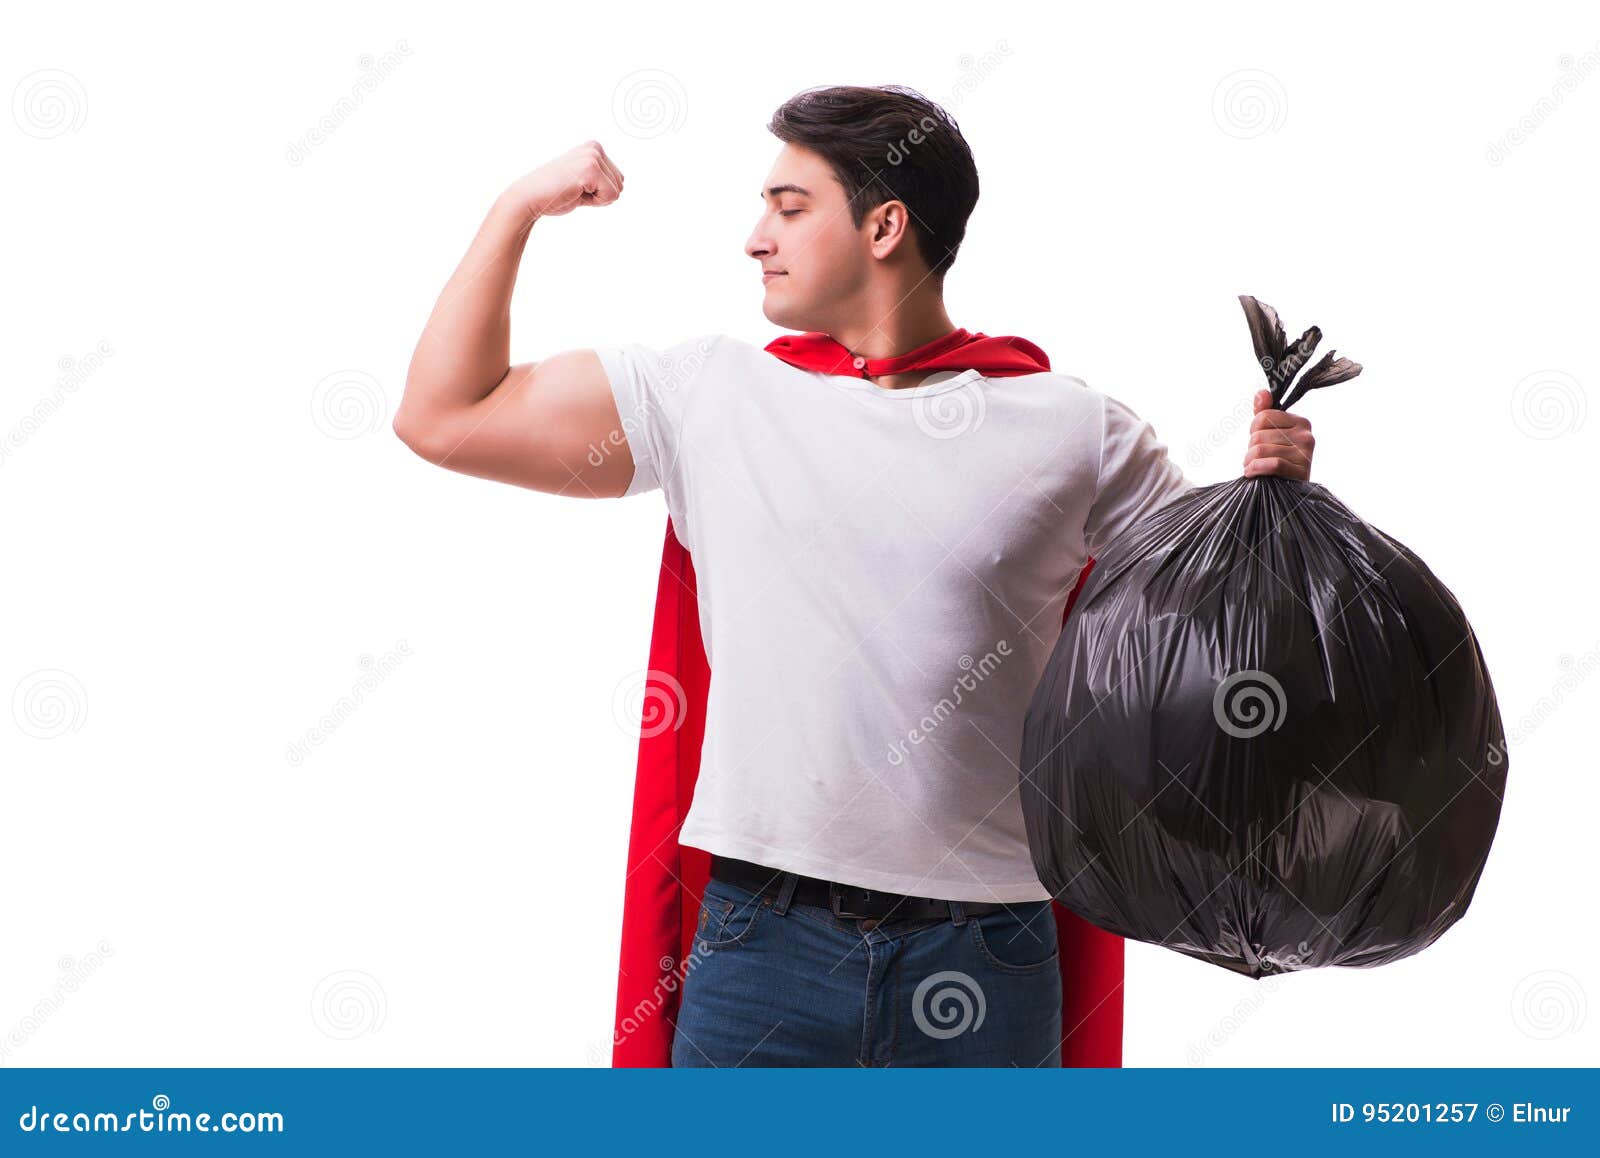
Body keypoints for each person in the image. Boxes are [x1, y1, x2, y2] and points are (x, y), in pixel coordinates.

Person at [393, 84, 1315, 1067]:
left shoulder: (1071, 429)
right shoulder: (711, 394)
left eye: (789, 208)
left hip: (987, 957)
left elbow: (1228, 638)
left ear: (885, 227)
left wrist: (1275, 501)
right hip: (760, 952)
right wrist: (516, 209)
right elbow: (444, 418)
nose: (756, 238)